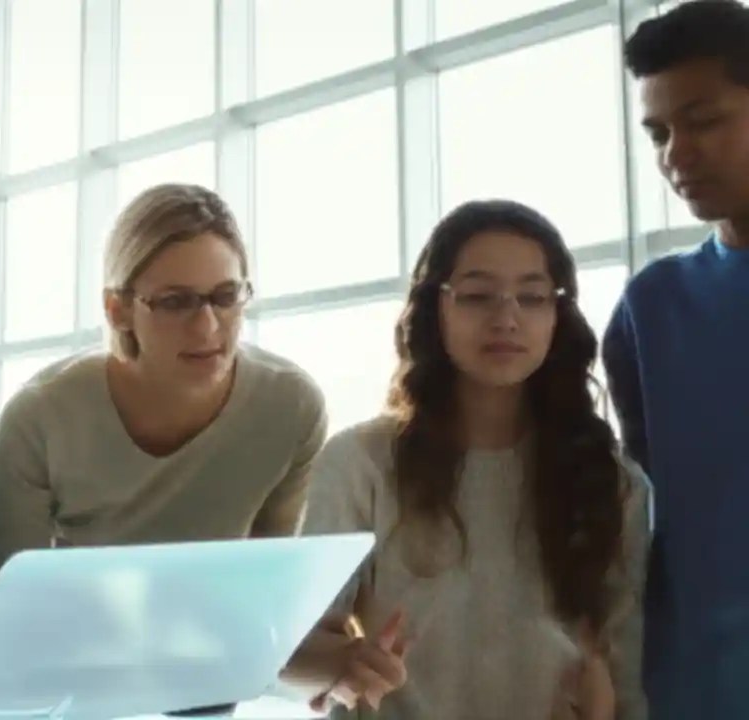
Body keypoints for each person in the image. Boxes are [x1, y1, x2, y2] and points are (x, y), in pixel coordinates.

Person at [294, 200, 651, 719]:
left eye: (532, 297)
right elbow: (294, 650)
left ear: (559, 316)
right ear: (434, 308)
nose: (506, 318)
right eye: (478, 295)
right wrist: (348, 661)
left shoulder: (612, 481)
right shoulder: (360, 464)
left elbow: (628, 674)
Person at [0, 183, 327, 575]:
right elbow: (12, 597)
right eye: (174, 302)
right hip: (79, 628)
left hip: (222, 627)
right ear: (118, 310)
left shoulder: (291, 406)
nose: (206, 327)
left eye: (225, 296)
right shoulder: (40, 418)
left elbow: (276, 579)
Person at [604, 2, 749, 716]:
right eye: (658, 132)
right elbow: (635, 516)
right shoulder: (649, 310)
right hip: (692, 688)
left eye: (704, 121)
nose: (674, 155)